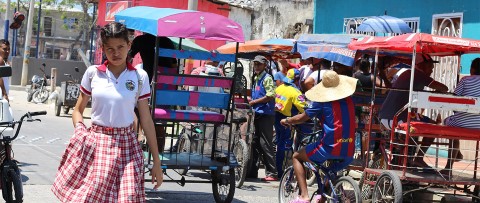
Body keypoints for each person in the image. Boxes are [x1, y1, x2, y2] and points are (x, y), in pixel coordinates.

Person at [52, 22, 163, 202]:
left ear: (129, 45)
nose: (116, 53)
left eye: (120, 47)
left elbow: (146, 119)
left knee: (128, 198)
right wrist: (81, 131)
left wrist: (156, 161)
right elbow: (78, 111)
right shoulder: (92, 74)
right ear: (103, 48)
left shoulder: (138, 77)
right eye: (110, 48)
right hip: (97, 144)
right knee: (92, 198)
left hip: (128, 147)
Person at [280, 70, 358, 203]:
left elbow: (302, 117)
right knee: (330, 171)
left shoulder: (322, 101)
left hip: (330, 147)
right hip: (349, 150)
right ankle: (323, 196)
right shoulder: (349, 100)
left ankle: (304, 196)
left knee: (297, 157)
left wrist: (287, 120)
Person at [378, 54, 448, 168]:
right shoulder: (418, 74)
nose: (431, 70)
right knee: (434, 127)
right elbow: (444, 88)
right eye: (430, 67)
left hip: (385, 117)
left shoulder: (407, 73)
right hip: (398, 118)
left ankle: (407, 159)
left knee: (418, 124)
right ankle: (419, 158)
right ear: (421, 65)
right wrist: (435, 92)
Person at [442, 58, 480, 175]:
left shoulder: (465, 80)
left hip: (462, 123)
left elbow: (454, 101)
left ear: (472, 69)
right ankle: (457, 152)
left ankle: (449, 166)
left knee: (447, 122)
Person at [247, 55, 278, 181]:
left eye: (259, 64)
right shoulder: (256, 78)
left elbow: (271, 95)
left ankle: (272, 173)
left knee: (265, 143)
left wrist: (254, 102)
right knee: (255, 142)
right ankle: (251, 171)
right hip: (257, 113)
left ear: (265, 65)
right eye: (255, 64)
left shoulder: (267, 78)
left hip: (266, 114)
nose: (256, 66)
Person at [274, 68, 308, 178]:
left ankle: (278, 170)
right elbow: (304, 109)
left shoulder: (279, 88)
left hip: (277, 118)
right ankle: (285, 172)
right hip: (288, 121)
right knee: (285, 146)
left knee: (280, 144)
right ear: (297, 80)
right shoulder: (295, 92)